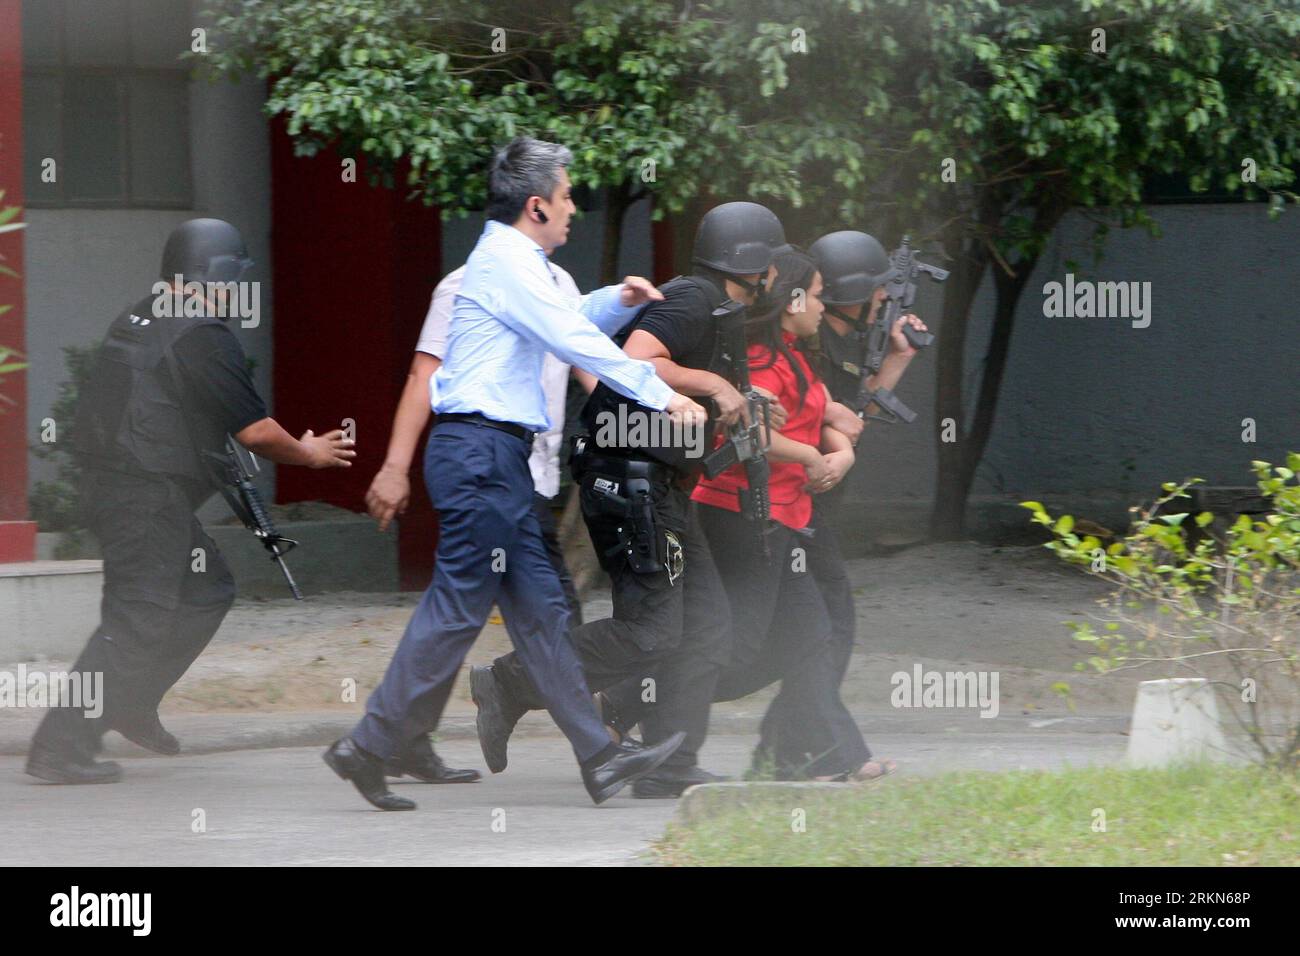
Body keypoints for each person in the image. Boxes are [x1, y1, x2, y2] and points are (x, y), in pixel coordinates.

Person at [322, 137, 706, 810]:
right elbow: (566, 338)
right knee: (457, 606)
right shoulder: (505, 262)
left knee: (543, 618)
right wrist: (659, 392)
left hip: (495, 460)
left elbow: (562, 322)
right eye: (565, 199)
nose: (571, 212)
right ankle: (367, 743)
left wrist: (616, 302)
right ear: (536, 206)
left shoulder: (513, 264)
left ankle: (601, 758)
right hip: (480, 455)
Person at [470, 201, 790, 798]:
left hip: (659, 485)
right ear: (750, 265)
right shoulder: (694, 297)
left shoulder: (719, 312)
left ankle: (669, 764)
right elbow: (638, 358)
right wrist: (716, 384)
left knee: (707, 625)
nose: (777, 278)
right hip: (629, 482)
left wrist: (741, 398)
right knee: (652, 631)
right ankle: (510, 681)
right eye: (771, 264)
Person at [27, 218, 355, 784]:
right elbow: (255, 431)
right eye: (234, 277)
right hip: (142, 495)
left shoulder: (140, 315)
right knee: (136, 620)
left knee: (206, 587)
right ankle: (60, 745)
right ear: (212, 273)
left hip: (117, 486)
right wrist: (308, 453)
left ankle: (130, 701)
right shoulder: (202, 334)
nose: (237, 290)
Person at [359, 257, 591, 785]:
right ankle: (603, 744)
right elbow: (425, 373)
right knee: (534, 610)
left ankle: (398, 739)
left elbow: (586, 362)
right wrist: (395, 468)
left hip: (528, 471)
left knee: (465, 608)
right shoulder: (462, 286)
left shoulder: (561, 282)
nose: (571, 211)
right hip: (491, 472)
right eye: (562, 199)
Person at [754, 231, 929, 779]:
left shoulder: (834, 343)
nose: (882, 299)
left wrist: (895, 359)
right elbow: (836, 422)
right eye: (875, 290)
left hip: (807, 507)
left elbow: (852, 416)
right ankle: (812, 752)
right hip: (788, 507)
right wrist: (838, 451)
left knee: (806, 629)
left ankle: (788, 752)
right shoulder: (809, 347)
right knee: (815, 628)